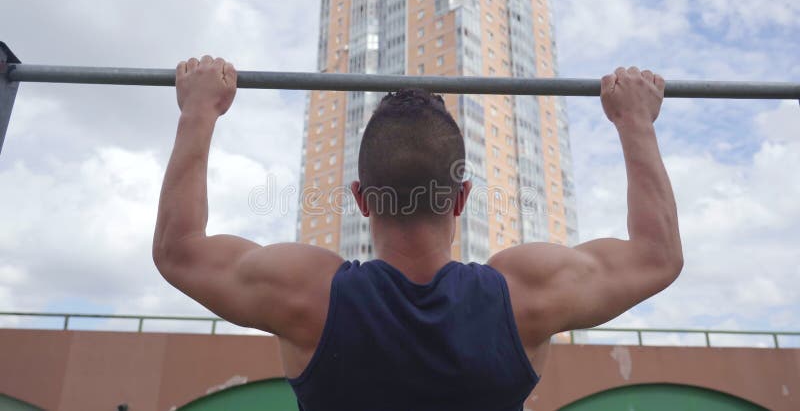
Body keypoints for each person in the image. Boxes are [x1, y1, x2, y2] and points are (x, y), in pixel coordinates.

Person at [153, 56, 683, 411]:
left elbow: (180, 250)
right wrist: (634, 122)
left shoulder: (307, 295)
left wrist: (199, 109)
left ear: (362, 200)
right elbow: (657, 256)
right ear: (461, 198)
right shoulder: (525, 294)